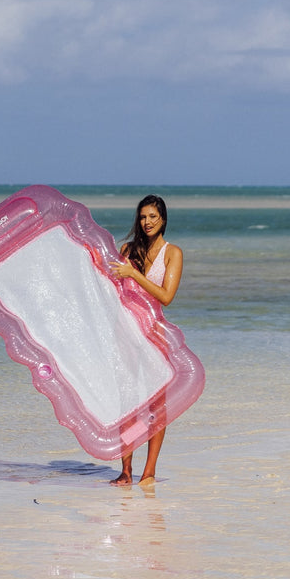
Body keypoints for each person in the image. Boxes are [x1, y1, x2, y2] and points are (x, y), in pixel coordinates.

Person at [108, 194, 185, 486]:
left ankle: (149, 472)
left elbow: (166, 296)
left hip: (154, 334)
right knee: (126, 403)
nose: (147, 222)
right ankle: (126, 471)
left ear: (163, 219)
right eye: (142, 217)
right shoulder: (128, 250)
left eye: (153, 216)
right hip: (125, 334)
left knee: (156, 406)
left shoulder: (172, 253)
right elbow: (113, 287)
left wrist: (133, 274)